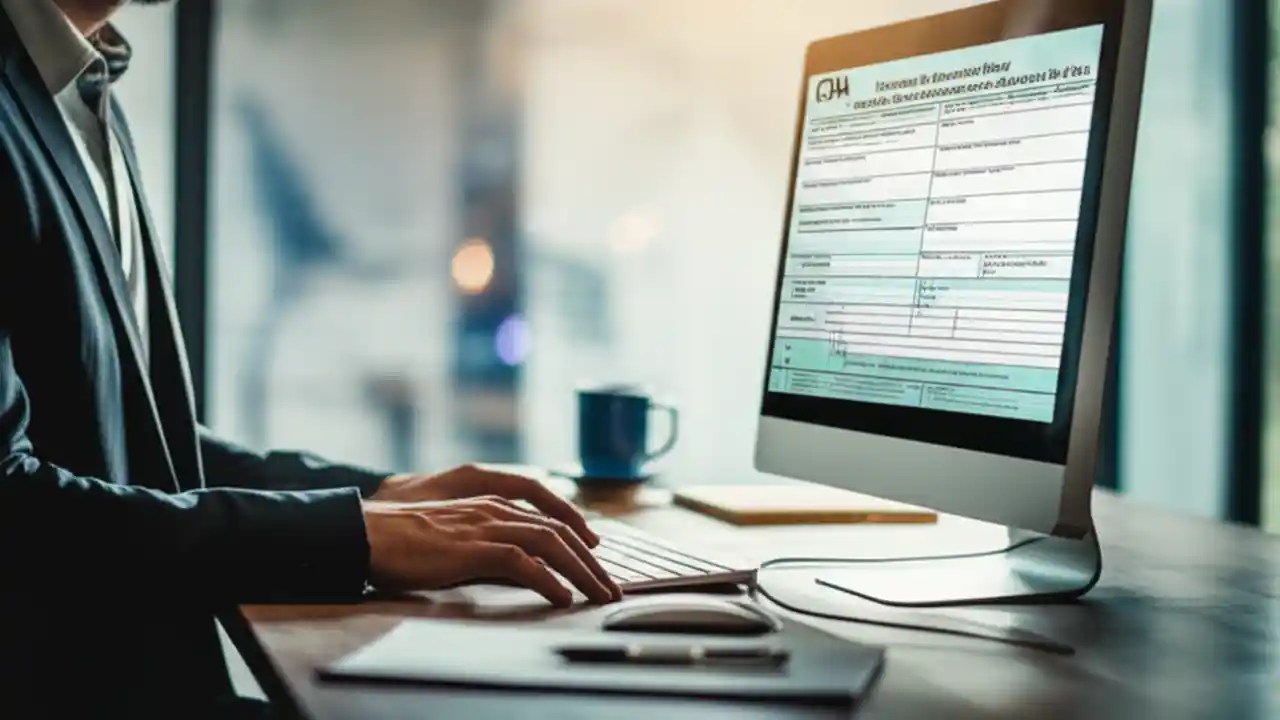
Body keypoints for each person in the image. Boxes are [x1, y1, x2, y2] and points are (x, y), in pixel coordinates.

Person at [0, 0, 621, 716]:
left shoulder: (78, 81)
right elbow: (15, 506)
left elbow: (123, 438)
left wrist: (378, 496)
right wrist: (347, 535)